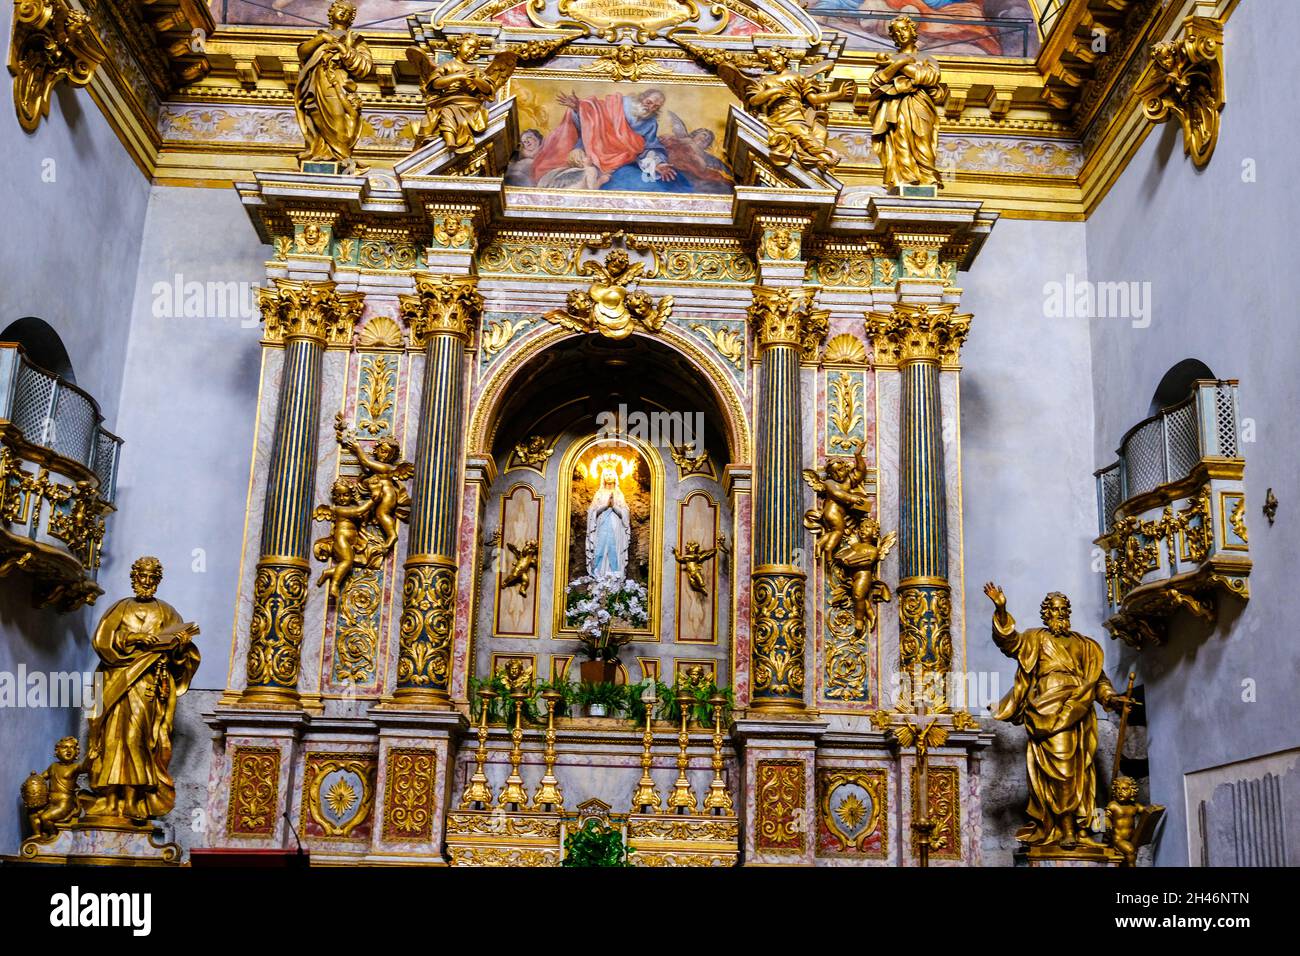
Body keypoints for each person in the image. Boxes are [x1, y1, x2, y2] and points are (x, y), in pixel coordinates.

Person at [985, 583, 1134, 850]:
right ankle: (1064, 826)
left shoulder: (1084, 645)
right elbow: (1008, 642)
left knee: (1082, 772)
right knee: (1062, 771)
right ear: (1046, 614)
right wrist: (1001, 608)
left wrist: (1112, 698)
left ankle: (1081, 829)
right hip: (1048, 711)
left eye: (1064, 609)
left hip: (1081, 709)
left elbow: (1097, 680)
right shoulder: (1035, 639)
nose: (1060, 613)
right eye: (1055, 610)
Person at [84, 557, 200, 821]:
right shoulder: (119, 609)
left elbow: (178, 658)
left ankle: (134, 798)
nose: (146, 582)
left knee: (137, 740)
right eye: (141, 577)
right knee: (111, 739)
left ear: (157, 581)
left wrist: (180, 645)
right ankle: (109, 799)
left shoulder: (168, 613)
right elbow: (103, 642)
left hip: (148, 684)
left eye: (151, 578)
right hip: (116, 678)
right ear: (133, 577)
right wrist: (134, 638)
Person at [532, 88, 693, 192]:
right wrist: (579, 108)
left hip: (623, 162)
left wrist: (657, 164)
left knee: (665, 185)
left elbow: (649, 147)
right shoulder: (619, 104)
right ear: (641, 98)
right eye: (649, 102)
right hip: (593, 155)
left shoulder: (650, 124)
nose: (650, 108)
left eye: (655, 107)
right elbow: (592, 121)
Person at [293, 1, 372, 171]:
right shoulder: (319, 37)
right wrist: (322, 39)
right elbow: (303, 53)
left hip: (338, 84)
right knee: (317, 117)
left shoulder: (355, 39)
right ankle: (321, 151)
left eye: (348, 12)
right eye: (340, 9)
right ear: (331, 12)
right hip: (318, 83)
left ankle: (340, 155)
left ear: (351, 18)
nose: (343, 12)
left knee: (339, 122)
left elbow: (365, 65)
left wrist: (343, 50)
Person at [586, 467, 631, 578]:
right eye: (606, 474)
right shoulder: (599, 494)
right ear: (603, 478)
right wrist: (606, 506)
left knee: (614, 549)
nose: (609, 476)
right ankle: (598, 576)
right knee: (599, 549)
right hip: (601, 525)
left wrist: (614, 506)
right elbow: (592, 512)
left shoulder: (619, 494)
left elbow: (625, 513)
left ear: (615, 477)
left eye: (611, 474)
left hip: (615, 527)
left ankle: (615, 575)